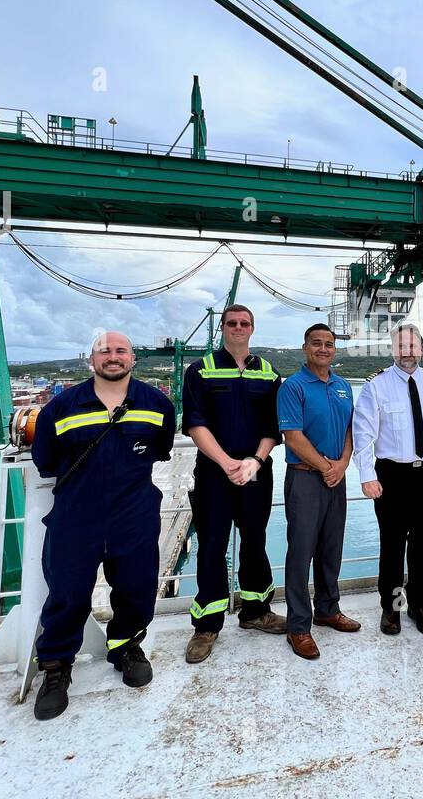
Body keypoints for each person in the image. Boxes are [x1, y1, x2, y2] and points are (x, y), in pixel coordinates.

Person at [30, 330, 176, 721]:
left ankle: (126, 647)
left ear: (133, 359)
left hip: (134, 513)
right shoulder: (61, 407)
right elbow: (45, 459)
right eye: (105, 351)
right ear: (91, 360)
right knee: (68, 591)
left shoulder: (157, 404)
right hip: (76, 516)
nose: (113, 356)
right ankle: (56, 667)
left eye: (121, 350)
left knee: (136, 586)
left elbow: (160, 448)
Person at [181, 304, 285, 663]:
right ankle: (206, 626)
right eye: (232, 323)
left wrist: (255, 461)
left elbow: (273, 428)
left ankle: (256, 611)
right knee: (212, 545)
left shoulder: (269, 373)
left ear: (252, 329)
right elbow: (195, 424)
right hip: (215, 472)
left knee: (255, 541)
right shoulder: (200, 370)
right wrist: (226, 463)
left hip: (255, 470)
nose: (238, 328)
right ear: (223, 328)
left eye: (244, 323)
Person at [353, 323, 423, 635]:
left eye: (412, 346)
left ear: (422, 349)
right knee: (392, 544)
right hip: (392, 475)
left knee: (421, 544)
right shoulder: (376, 386)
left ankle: (418, 605)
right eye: (401, 346)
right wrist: (366, 475)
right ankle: (392, 608)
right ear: (393, 349)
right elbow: (363, 434)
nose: (407, 352)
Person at [277, 323, 361, 659]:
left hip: (336, 478)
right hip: (305, 479)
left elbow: (350, 429)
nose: (323, 349)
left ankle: (328, 609)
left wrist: (343, 463)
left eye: (328, 344)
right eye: (317, 343)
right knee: (301, 553)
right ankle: (298, 626)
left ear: (334, 350)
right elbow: (293, 437)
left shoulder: (343, 386)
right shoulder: (293, 387)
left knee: (331, 548)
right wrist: (328, 467)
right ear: (305, 347)